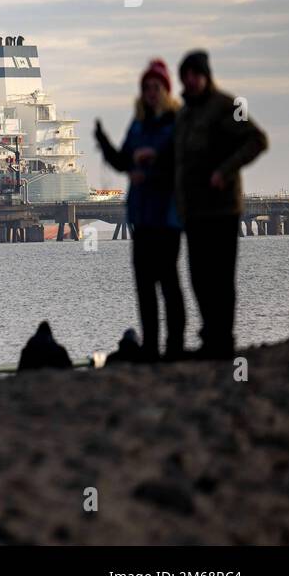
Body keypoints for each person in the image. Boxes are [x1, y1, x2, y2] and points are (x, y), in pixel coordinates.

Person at [171, 50, 268, 360]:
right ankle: (210, 334)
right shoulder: (184, 114)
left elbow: (256, 139)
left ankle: (222, 339)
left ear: (206, 76)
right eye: (186, 74)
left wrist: (224, 171)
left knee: (221, 277)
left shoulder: (226, 105)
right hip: (194, 211)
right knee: (198, 276)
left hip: (222, 210)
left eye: (196, 74)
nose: (191, 79)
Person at [93, 58, 186, 360]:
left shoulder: (176, 122)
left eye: (156, 86)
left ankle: (174, 347)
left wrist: (151, 165)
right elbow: (123, 161)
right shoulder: (138, 124)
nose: (150, 91)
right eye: (146, 87)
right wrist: (104, 143)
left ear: (166, 89)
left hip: (167, 216)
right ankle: (150, 348)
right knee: (144, 287)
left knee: (169, 283)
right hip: (142, 217)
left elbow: (180, 164)